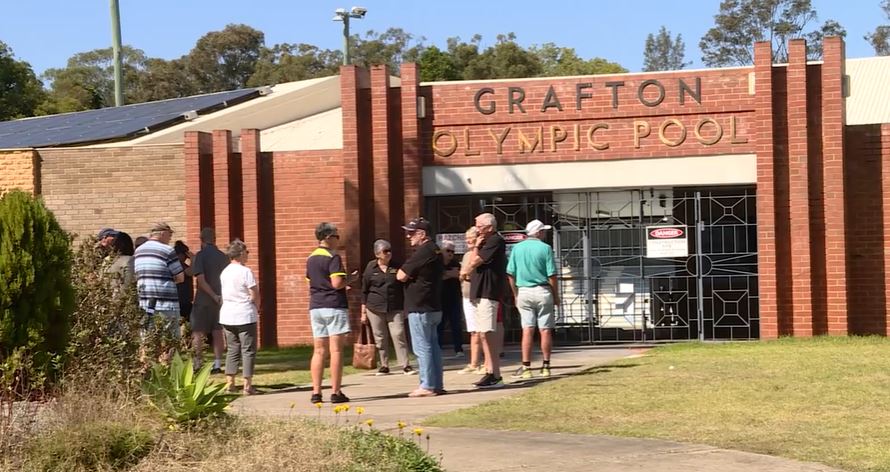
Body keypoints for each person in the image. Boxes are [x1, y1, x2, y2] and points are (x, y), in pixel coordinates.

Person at [397, 217, 445, 397]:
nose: (408, 237)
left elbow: (401, 275)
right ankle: (436, 383)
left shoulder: (423, 251)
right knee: (433, 346)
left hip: (420, 306)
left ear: (422, 234)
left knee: (422, 347)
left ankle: (427, 385)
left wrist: (409, 276)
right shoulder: (436, 250)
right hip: (433, 305)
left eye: (411, 233)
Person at [507, 219, 560, 379]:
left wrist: (515, 293)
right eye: (543, 231)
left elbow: (510, 273)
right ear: (539, 232)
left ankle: (526, 366)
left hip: (524, 290)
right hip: (542, 290)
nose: (544, 233)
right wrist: (556, 295)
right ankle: (546, 365)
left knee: (527, 329)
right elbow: (552, 275)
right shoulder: (545, 248)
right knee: (545, 329)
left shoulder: (517, 248)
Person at [306, 222, 352, 404]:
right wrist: (350, 279)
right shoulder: (333, 257)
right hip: (334, 305)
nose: (337, 240)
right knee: (336, 350)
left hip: (316, 306)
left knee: (318, 351)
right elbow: (336, 283)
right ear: (327, 237)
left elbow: (310, 280)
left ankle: (316, 392)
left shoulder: (311, 258)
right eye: (336, 236)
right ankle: (336, 391)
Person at [460, 213, 506, 389]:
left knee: (487, 332)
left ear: (489, 227)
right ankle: (490, 371)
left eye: (479, 226)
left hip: (489, 291)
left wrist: (476, 248)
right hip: (478, 292)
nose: (477, 229)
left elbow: (475, 262)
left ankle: (494, 374)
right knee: (481, 333)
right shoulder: (483, 242)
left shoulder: (495, 240)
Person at [361, 239, 415, 376]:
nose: (389, 253)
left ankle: (405, 364)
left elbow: (405, 286)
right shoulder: (370, 268)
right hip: (374, 307)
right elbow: (364, 290)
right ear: (377, 254)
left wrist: (406, 306)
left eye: (390, 250)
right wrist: (363, 311)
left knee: (398, 334)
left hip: (395, 306)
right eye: (385, 251)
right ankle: (384, 365)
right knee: (380, 337)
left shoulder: (397, 266)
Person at [219, 239, 260, 395]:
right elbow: (254, 292)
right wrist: (257, 306)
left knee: (232, 348)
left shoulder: (225, 272)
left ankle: (230, 382)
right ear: (241, 254)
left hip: (227, 313)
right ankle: (247, 385)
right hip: (244, 313)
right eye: (246, 252)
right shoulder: (245, 271)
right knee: (248, 349)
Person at [134, 222, 184, 337]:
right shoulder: (167, 250)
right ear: (163, 233)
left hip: (145, 302)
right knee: (168, 342)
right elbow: (180, 277)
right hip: (166, 303)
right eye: (170, 234)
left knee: (147, 340)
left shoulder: (138, 251)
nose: (170, 238)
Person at [191, 228, 230, 374]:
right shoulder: (223, 256)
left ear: (201, 239)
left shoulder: (201, 255)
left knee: (198, 332)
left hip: (203, 299)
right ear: (215, 238)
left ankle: (197, 363)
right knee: (217, 331)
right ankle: (218, 364)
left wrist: (212, 295)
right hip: (221, 300)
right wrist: (219, 296)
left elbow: (200, 279)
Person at [457, 227, 485, 375]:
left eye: (471, 238)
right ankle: (474, 363)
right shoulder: (467, 254)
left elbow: (467, 272)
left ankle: (485, 362)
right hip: (466, 295)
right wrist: (464, 274)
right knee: (473, 331)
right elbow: (462, 275)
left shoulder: (480, 253)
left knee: (481, 331)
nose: (467, 241)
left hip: (477, 295)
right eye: (466, 238)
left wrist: (465, 273)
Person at [439, 240, 465, 359]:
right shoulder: (437, 263)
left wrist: (447, 274)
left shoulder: (455, 263)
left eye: (452, 251)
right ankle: (438, 348)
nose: (450, 253)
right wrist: (450, 274)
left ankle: (458, 349)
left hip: (454, 297)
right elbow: (438, 276)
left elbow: (460, 275)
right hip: (440, 298)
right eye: (448, 251)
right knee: (440, 324)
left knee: (456, 323)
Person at [174, 241, 195, 328]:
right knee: (185, 325)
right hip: (182, 300)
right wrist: (193, 259)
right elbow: (190, 272)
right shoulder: (178, 265)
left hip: (183, 300)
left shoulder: (181, 265)